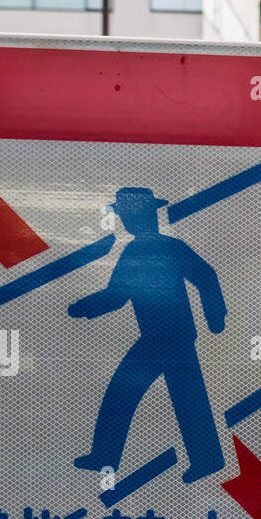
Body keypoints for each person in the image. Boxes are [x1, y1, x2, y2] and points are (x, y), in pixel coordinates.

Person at [69, 186, 228, 485]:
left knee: (126, 394)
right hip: (170, 337)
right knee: (185, 398)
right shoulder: (164, 247)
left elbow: (117, 296)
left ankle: (106, 456)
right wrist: (214, 316)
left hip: (164, 339)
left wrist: (82, 307)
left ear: (134, 217)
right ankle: (207, 459)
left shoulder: (145, 249)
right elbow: (120, 296)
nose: (125, 221)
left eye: (126, 215)